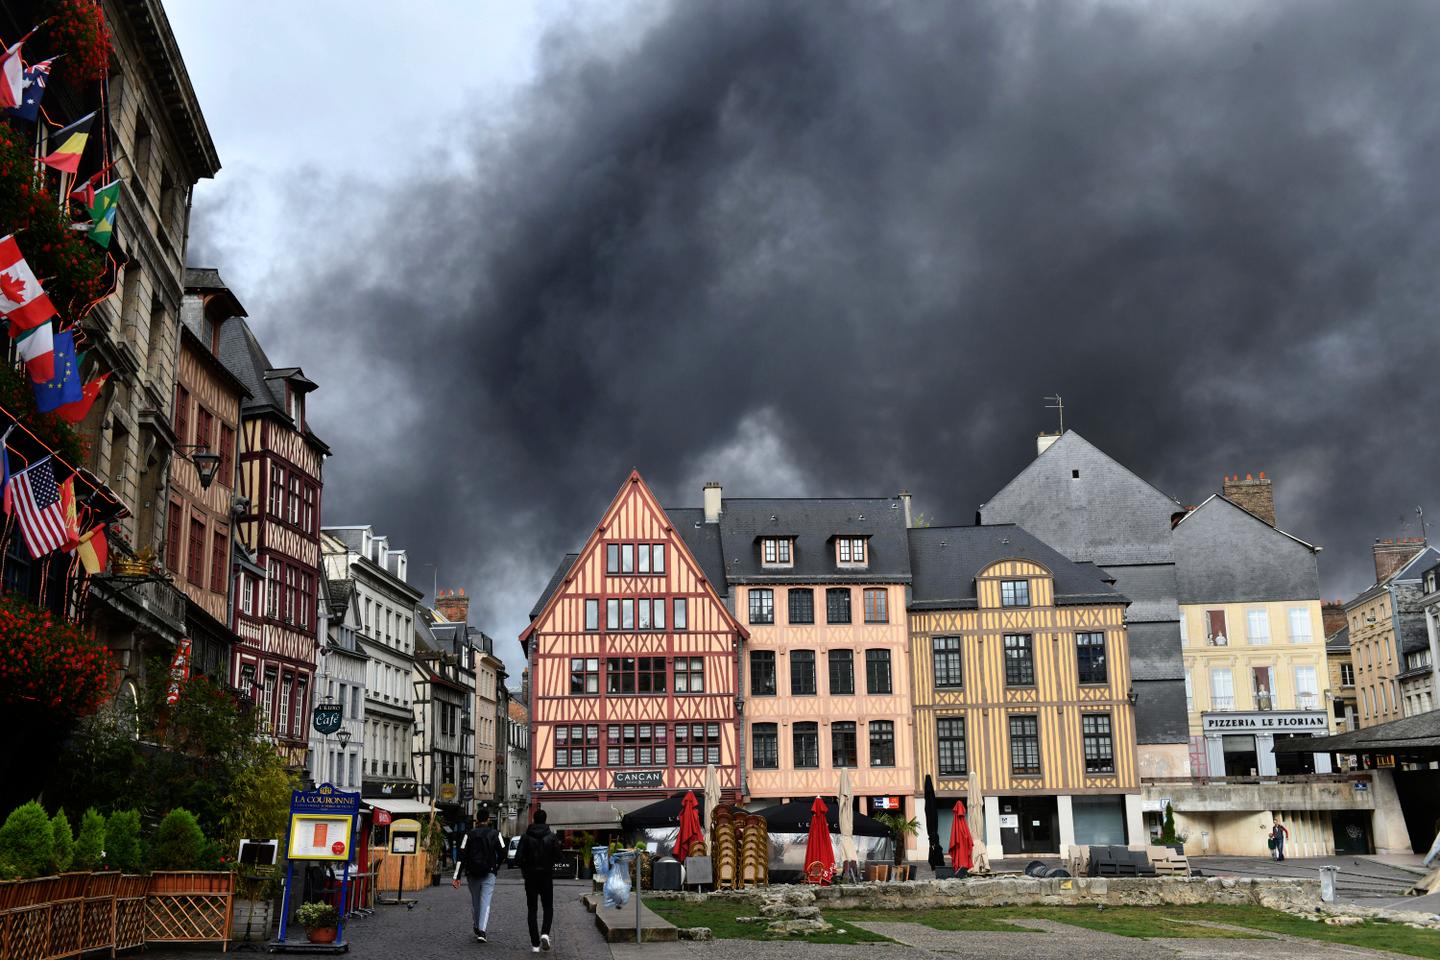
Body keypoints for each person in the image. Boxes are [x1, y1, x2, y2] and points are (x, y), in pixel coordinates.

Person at [452, 809, 504, 942]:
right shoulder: (495, 833)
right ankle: (482, 930)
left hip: (472, 872)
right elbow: (503, 850)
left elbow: (461, 854)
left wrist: (456, 876)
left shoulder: (468, 834)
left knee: (476, 901)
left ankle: (476, 925)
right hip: (489, 871)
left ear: (477, 819)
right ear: (488, 819)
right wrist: (496, 865)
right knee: (485, 901)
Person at [516, 809, 562, 953]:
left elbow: (517, 858)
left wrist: (525, 866)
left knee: (532, 909)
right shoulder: (552, 837)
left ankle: (535, 944)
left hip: (530, 877)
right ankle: (545, 933)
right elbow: (559, 857)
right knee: (548, 907)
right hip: (546, 876)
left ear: (534, 820)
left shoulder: (525, 837)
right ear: (545, 819)